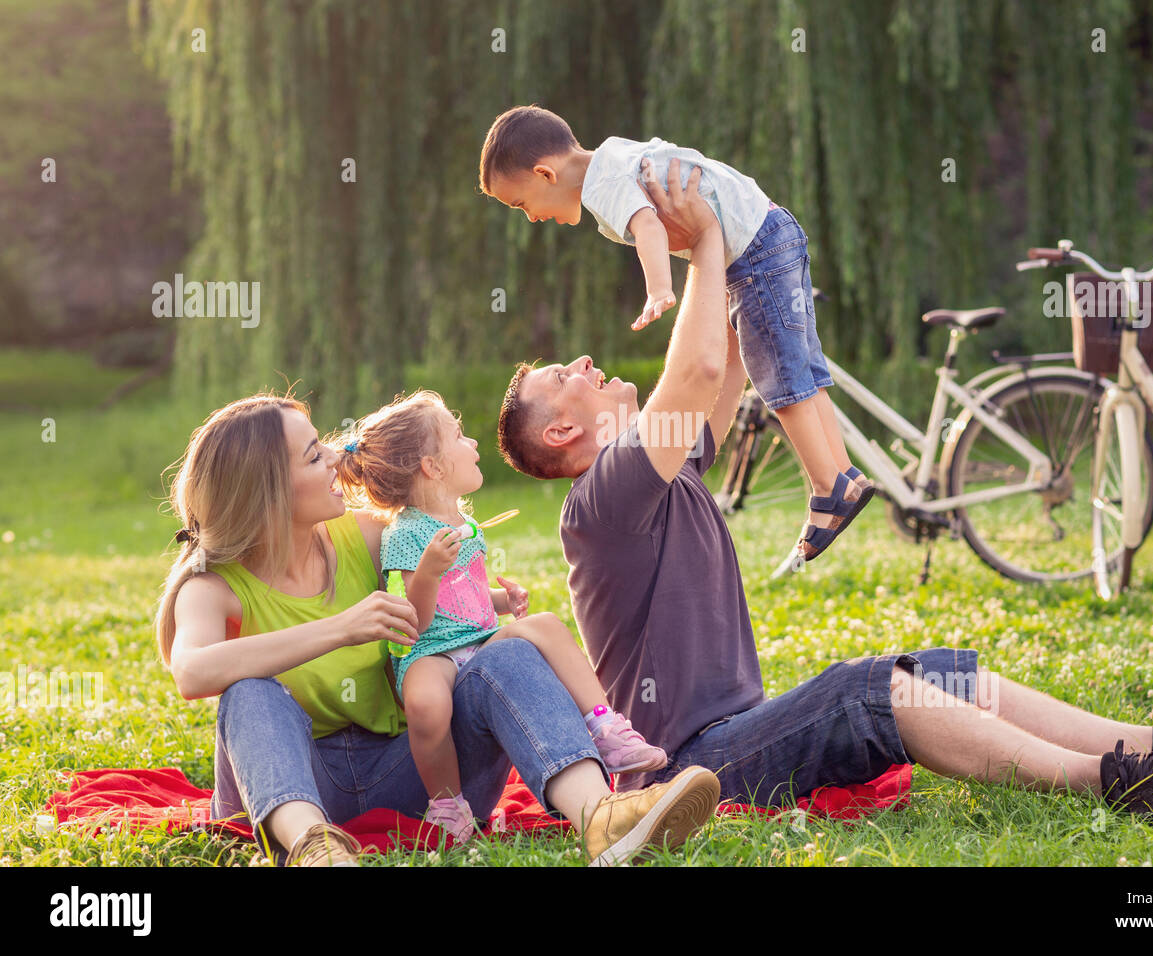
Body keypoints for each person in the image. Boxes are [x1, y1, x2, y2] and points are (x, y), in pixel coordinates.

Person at [496, 158, 1153, 819]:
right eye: (568, 377)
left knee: (938, 675)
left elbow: (726, 356)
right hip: (691, 769)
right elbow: (694, 373)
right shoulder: (606, 497)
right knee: (863, 690)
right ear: (563, 433)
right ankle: (1113, 782)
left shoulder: (659, 468)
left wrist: (737, 242)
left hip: (737, 734)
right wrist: (699, 243)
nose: (587, 365)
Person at [155, 393, 718, 867]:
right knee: (250, 692)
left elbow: (443, 605)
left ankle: (603, 815)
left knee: (506, 652)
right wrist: (339, 628)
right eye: (312, 455)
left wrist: (491, 601)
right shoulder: (213, 584)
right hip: (296, 784)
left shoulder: (369, 537)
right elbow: (193, 671)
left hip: (415, 775)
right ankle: (314, 849)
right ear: (268, 490)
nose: (334, 457)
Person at [480, 104, 872, 565]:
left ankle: (827, 487)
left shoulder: (602, 185)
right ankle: (843, 474)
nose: (529, 218)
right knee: (803, 369)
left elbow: (647, 224)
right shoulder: (615, 157)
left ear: (545, 173)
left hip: (751, 250)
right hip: (771, 229)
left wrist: (659, 289)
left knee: (783, 381)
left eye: (521, 204)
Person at [330, 389, 667, 843]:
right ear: (432, 466)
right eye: (459, 436)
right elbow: (416, 618)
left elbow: (464, 595)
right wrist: (427, 570)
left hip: (477, 638)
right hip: (430, 652)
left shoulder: (464, 525)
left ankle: (605, 725)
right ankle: (447, 803)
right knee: (426, 704)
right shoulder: (406, 534)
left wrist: (503, 601)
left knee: (546, 624)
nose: (472, 445)